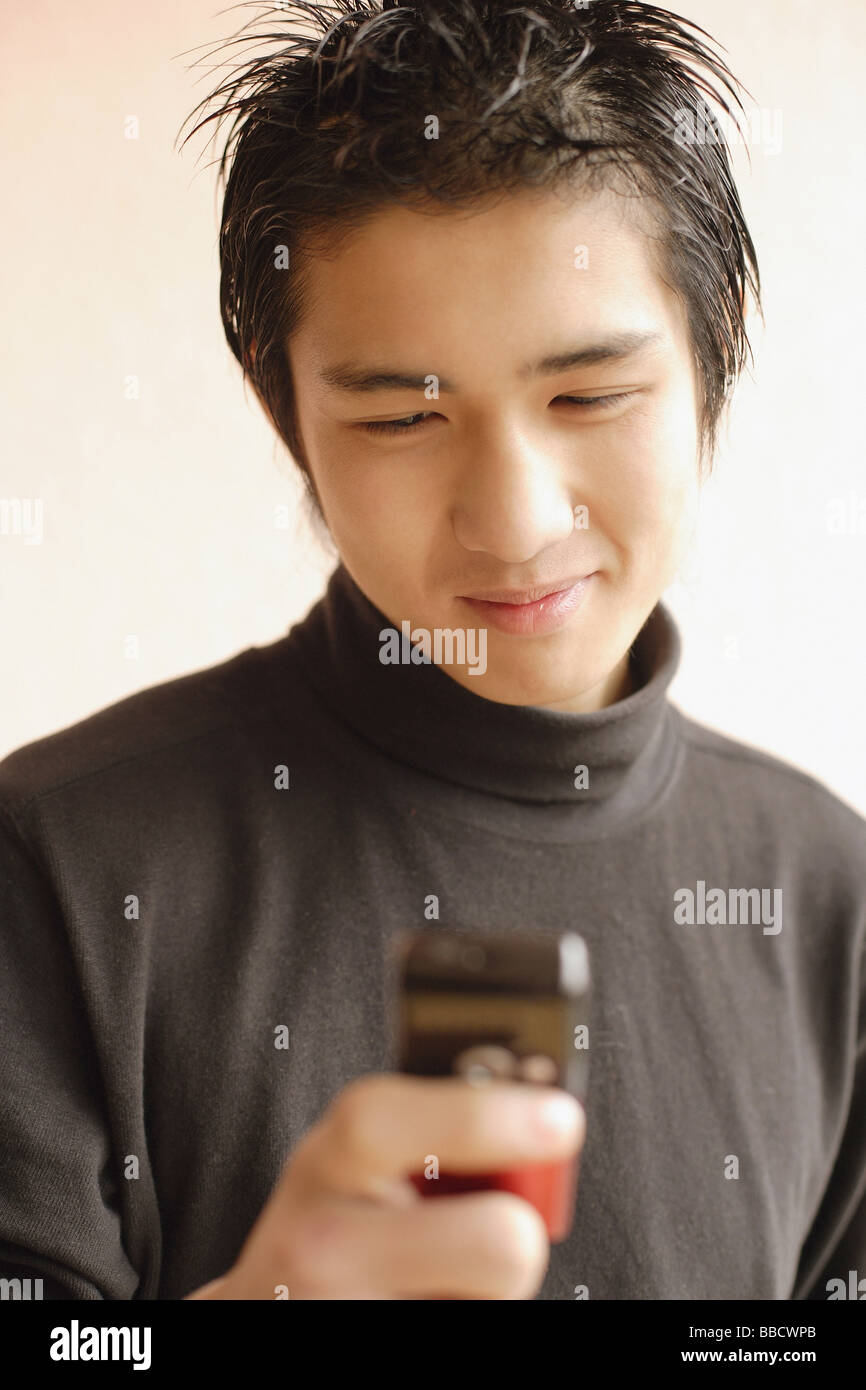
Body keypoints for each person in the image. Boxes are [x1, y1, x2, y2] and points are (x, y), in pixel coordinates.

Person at [1, 0, 863, 1302]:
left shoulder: (827, 895)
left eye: (587, 395)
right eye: (403, 415)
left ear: (711, 361)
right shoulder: (56, 863)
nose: (513, 521)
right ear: (277, 399)